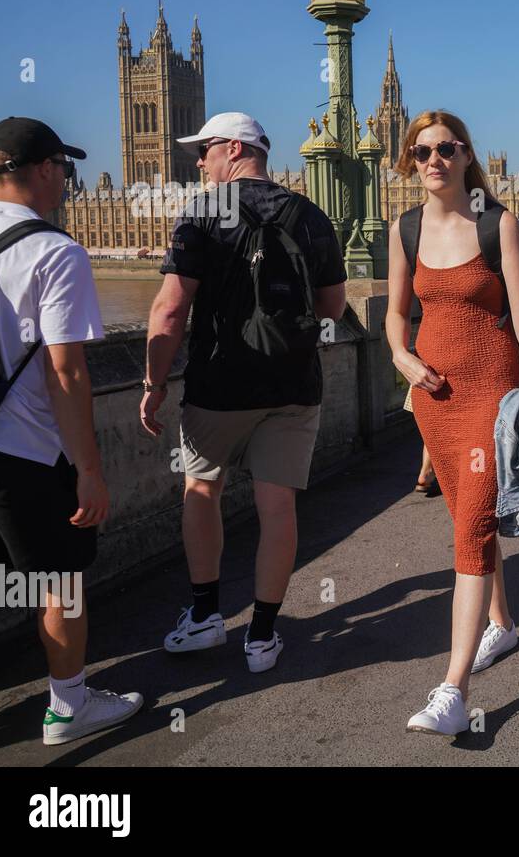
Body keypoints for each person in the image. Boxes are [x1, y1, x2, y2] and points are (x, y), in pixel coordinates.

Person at [142, 112, 347, 673]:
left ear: (234, 149)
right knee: (277, 507)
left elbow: (169, 309)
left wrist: (154, 382)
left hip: (219, 384)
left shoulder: (203, 214)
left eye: (205, 150)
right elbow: (332, 309)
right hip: (293, 383)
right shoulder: (309, 213)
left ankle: (206, 618)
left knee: (202, 490)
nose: (200, 161)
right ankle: (260, 637)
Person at [0, 117, 143, 745]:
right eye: (63, 169)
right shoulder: (55, 251)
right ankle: (69, 706)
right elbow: (66, 373)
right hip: (25, 449)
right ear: (46, 169)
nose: (68, 182)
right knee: (59, 581)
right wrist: (90, 470)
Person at [385, 110, 519, 736]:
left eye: (446, 149)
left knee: (473, 524)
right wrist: (402, 358)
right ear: (410, 161)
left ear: (465, 155)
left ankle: (452, 688)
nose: (434, 161)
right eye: (422, 152)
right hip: (435, 399)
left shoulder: (496, 224)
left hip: (492, 393)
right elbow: (396, 316)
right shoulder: (404, 230)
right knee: (468, 521)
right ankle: (502, 625)